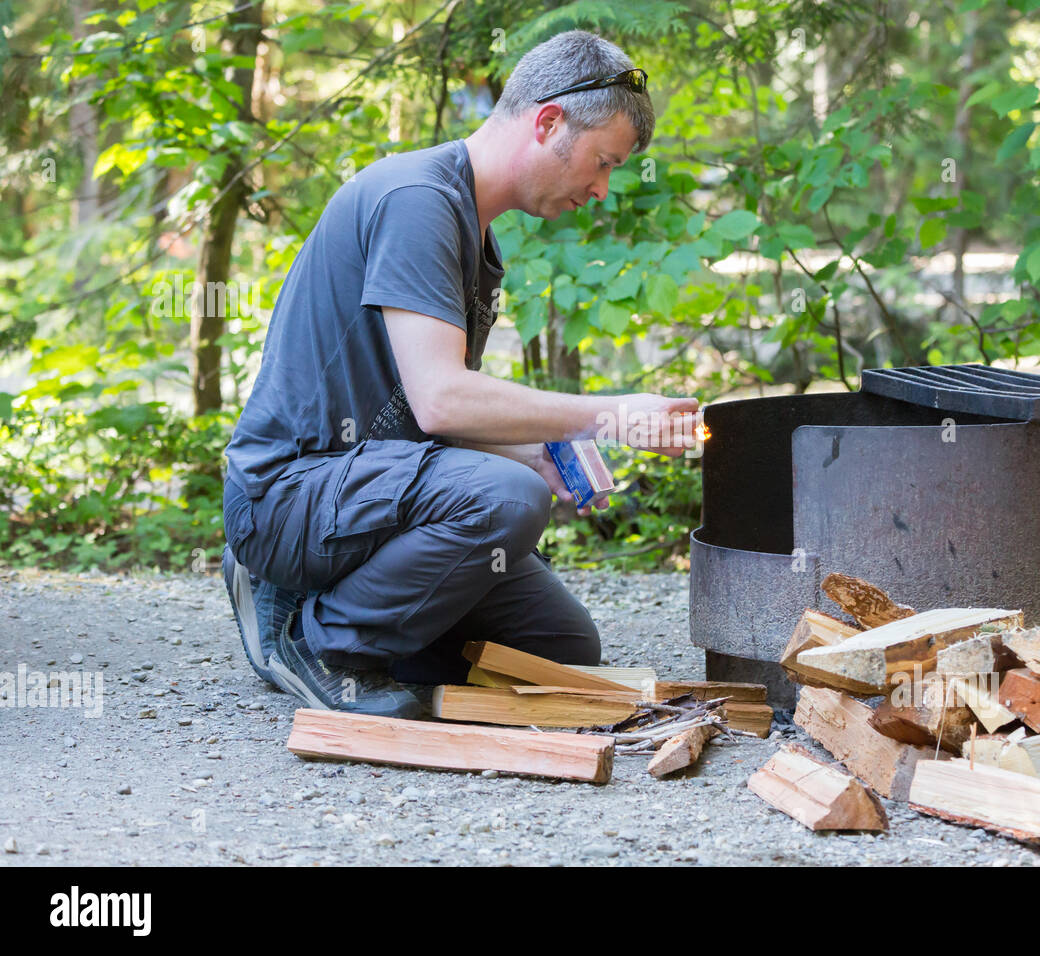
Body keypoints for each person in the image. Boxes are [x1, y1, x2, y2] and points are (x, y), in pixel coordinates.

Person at [221, 30, 699, 719]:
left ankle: (347, 621)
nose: (600, 188)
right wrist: (612, 413)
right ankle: (320, 641)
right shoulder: (417, 199)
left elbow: (416, 414)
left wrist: (539, 452)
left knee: (559, 647)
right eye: (603, 162)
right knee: (505, 499)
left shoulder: (475, 237)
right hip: (287, 497)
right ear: (548, 122)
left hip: (363, 486)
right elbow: (443, 401)